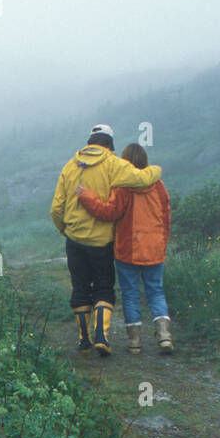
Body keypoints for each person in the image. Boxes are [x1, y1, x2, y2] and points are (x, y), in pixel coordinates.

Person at [50, 125, 163, 355]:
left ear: (89, 142)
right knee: (103, 287)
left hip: (74, 239)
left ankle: (84, 340)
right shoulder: (113, 163)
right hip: (102, 242)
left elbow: (56, 208)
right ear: (110, 145)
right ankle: (102, 336)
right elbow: (141, 179)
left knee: (80, 286)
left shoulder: (70, 166)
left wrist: (65, 230)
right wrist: (157, 170)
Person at [76, 142, 172, 354]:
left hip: (128, 249)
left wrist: (86, 196)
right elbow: (166, 216)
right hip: (154, 248)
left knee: (130, 294)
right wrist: (162, 242)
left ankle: (135, 342)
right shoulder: (158, 185)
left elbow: (108, 212)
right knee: (156, 292)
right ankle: (164, 337)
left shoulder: (123, 187)